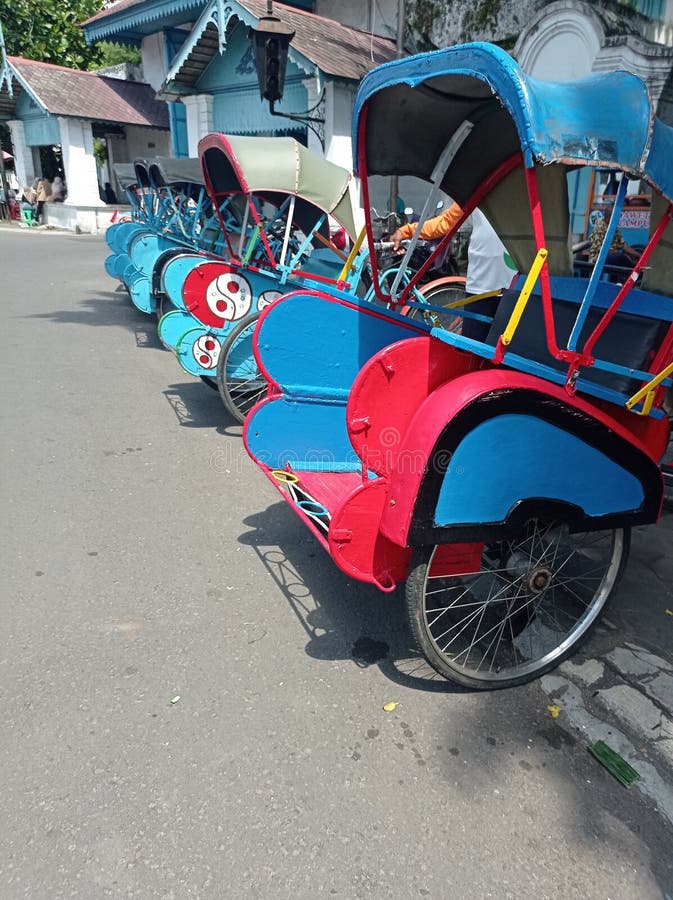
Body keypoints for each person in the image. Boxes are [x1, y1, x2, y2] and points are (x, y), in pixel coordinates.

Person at [391, 202, 513, 339]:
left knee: (517, 351)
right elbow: (446, 222)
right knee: (472, 350)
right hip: (481, 284)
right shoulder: (475, 182)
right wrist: (406, 231)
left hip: (522, 283)